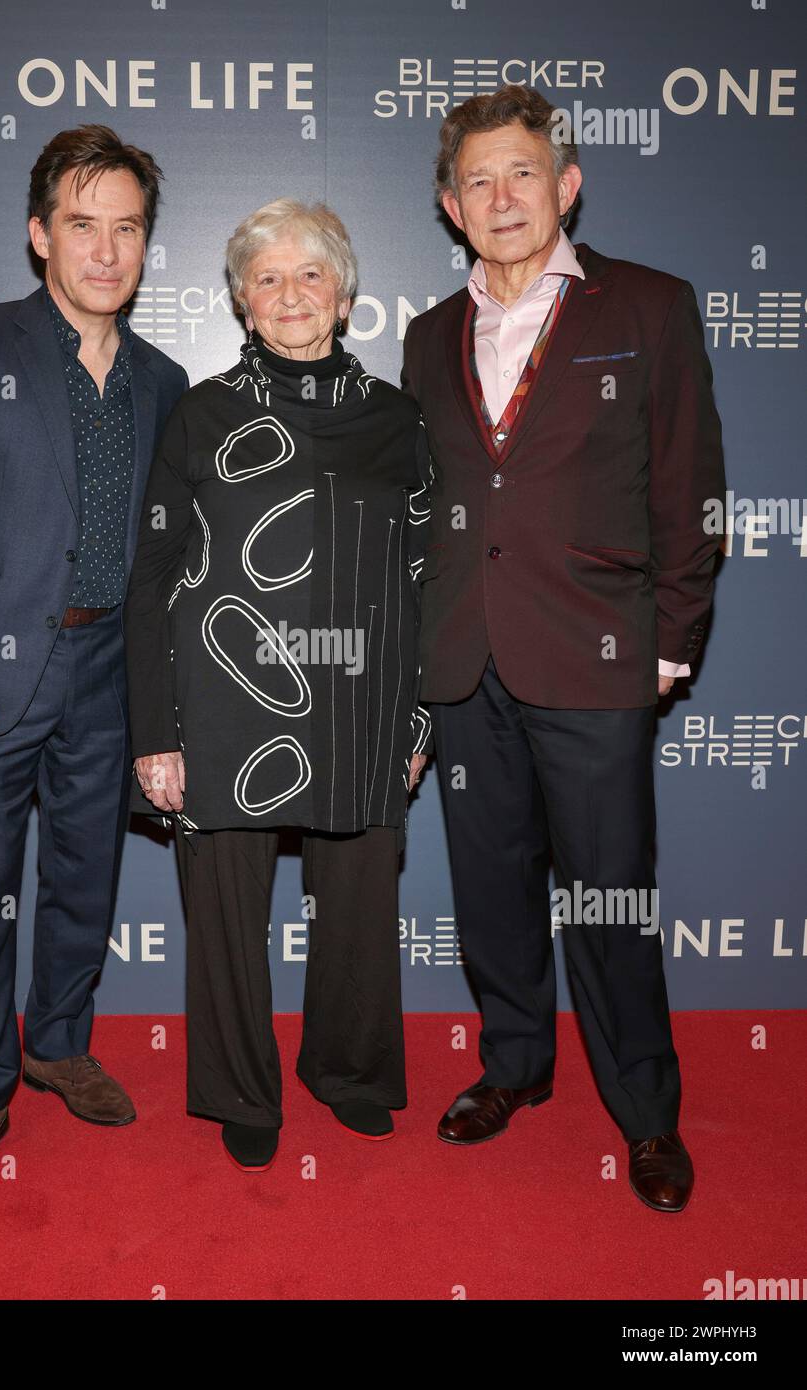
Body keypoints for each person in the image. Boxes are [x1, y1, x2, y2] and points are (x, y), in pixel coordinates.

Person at [401, 86, 726, 1212]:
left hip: (596, 661)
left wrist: (667, 646)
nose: (501, 197)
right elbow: (431, 507)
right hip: (461, 667)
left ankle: (644, 1111)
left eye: (522, 173)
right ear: (450, 204)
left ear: (566, 184)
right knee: (489, 891)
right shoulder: (424, 336)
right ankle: (513, 1066)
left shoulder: (649, 307)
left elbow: (691, 495)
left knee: (606, 902)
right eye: (478, 180)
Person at [0, 124, 188, 1204]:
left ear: (147, 244)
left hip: (109, 668)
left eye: (127, 229)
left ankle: (59, 1041)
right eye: (81, 225)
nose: (105, 251)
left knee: (82, 878)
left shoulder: (164, 378)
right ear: (37, 235)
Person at [124, 199, 433, 1172]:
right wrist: (153, 728)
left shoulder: (398, 420)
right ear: (242, 301)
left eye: (310, 275)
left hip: (360, 695)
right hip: (221, 693)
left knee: (355, 904)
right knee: (222, 907)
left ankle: (346, 1070)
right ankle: (240, 1088)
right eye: (268, 277)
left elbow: (426, 574)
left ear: (343, 294)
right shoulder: (203, 412)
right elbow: (152, 577)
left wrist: (417, 713)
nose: (290, 294)